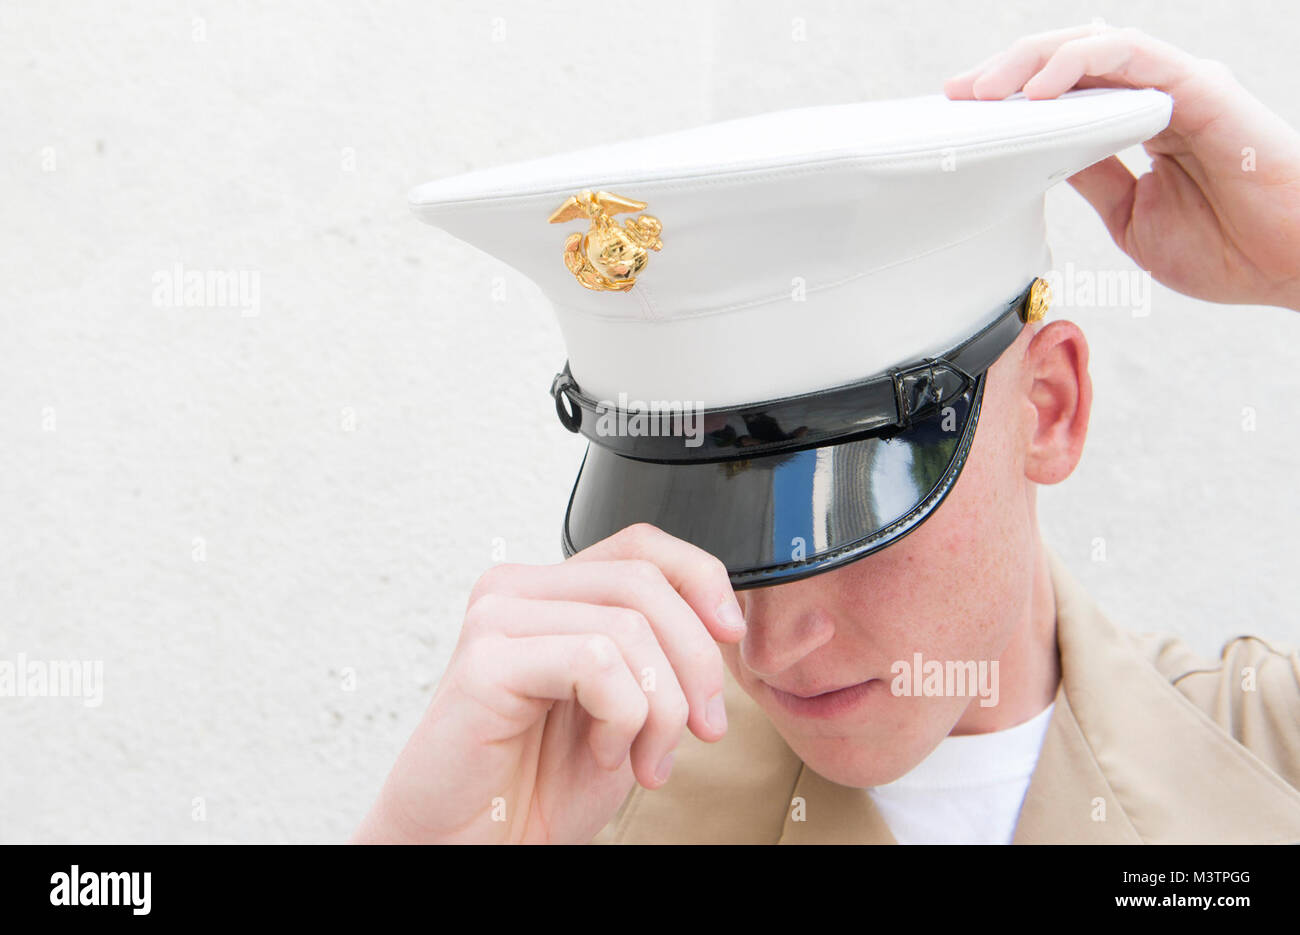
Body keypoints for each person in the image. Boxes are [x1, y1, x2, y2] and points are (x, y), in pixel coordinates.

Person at [353, 24, 1300, 845]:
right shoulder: (576, 817)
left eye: (846, 519)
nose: (772, 642)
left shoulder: (1269, 758)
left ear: (1047, 408)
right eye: (712, 544)